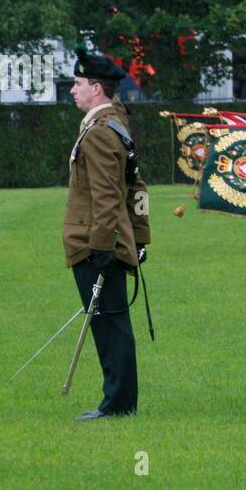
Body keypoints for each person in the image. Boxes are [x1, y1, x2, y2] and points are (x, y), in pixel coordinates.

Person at [64, 47, 151, 421]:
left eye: (78, 83)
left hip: (95, 243)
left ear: (97, 88)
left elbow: (107, 196)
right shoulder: (114, 124)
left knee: (109, 324)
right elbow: (138, 188)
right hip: (110, 240)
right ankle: (119, 401)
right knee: (109, 321)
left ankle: (117, 404)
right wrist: (141, 236)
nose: (72, 90)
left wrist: (101, 247)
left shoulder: (100, 133)